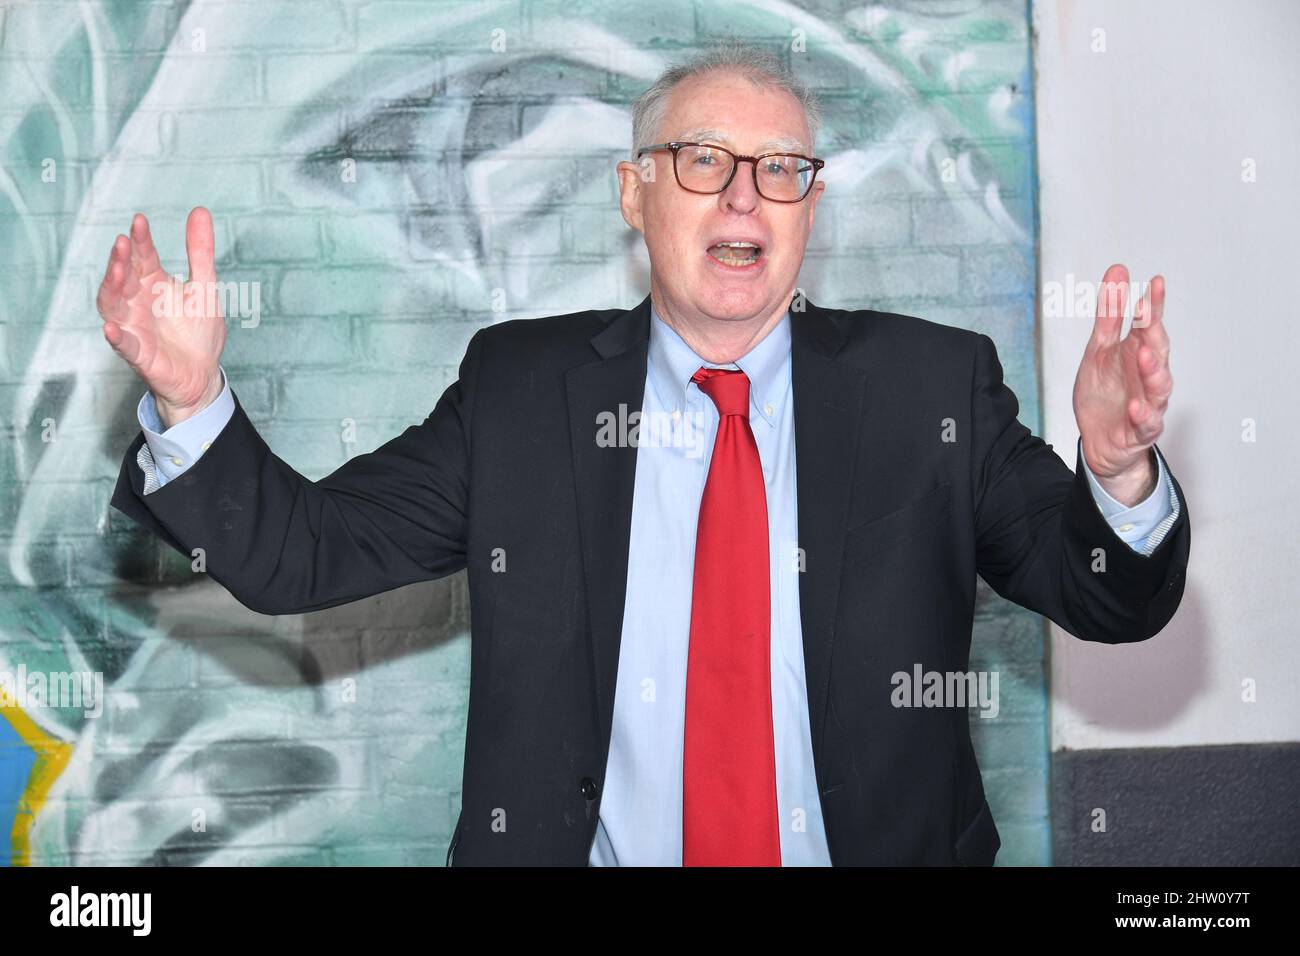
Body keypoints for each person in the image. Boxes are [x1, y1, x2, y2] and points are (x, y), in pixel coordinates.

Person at [98, 44, 1188, 866]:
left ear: (807, 207)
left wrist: (1119, 469)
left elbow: (1104, 597)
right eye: (704, 160)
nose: (743, 196)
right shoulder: (521, 392)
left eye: (780, 169)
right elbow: (308, 556)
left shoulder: (928, 388)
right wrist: (191, 399)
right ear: (635, 193)